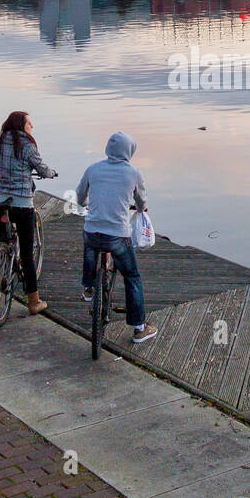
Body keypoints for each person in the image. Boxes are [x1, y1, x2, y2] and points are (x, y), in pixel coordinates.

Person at [76, 132, 156, 343]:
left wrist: (85, 204)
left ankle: (88, 288)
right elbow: (141, 201)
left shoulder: (93, 169)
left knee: (91, 244)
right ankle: (139, 327)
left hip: (92, 230)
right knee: (132, 276)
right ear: (129, 151)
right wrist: (140, 208)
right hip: (118, 235)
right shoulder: (133, 173)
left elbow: (79, 196)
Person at [0, 111, 57, 314]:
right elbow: (42, 170)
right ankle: (33, 302)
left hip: (3, 204)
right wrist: (51, 173)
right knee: (26, 253)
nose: (32, 126)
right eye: (29, 123)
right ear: (22, 126)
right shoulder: (28, 147)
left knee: (1, 244)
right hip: (23, 205)